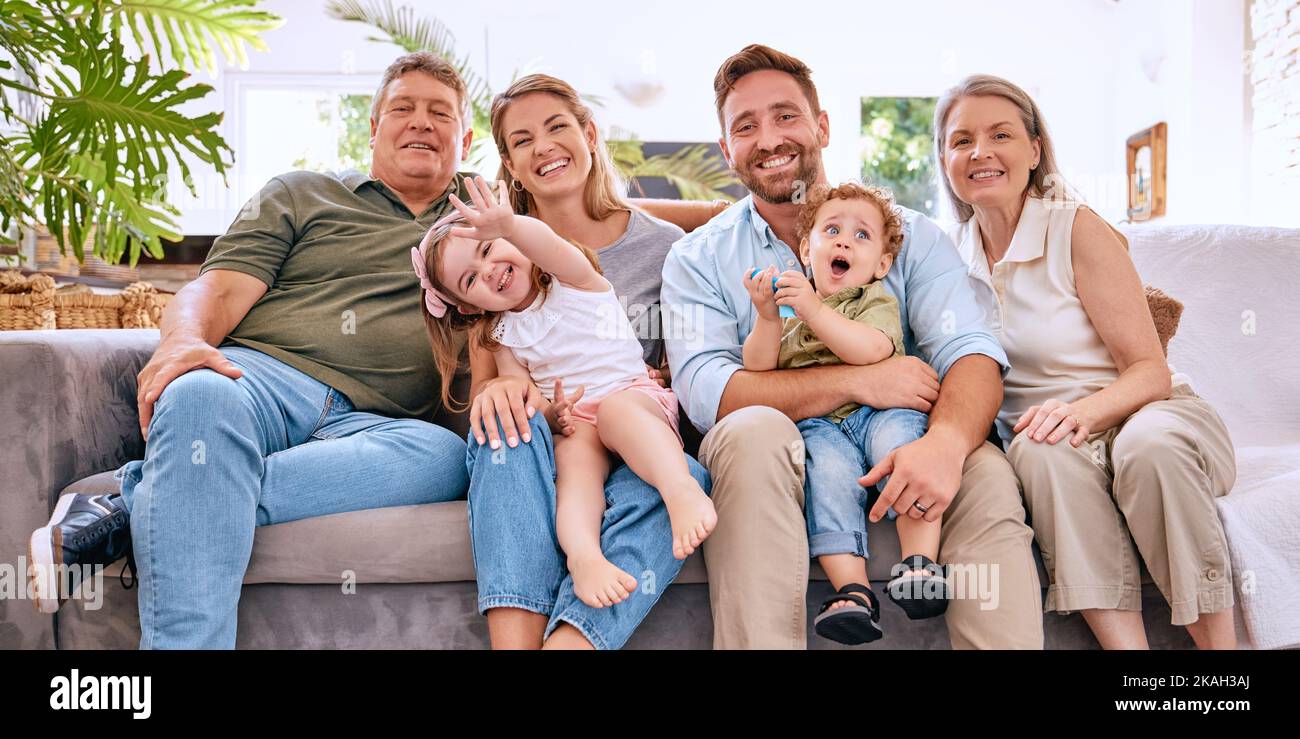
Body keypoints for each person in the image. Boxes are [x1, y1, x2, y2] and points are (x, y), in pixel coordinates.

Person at [27, 51, 477, 648]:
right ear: (373, 127)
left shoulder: (485, 224)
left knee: (446, 458)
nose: (421, 122)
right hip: (259, 382)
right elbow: (216, 289)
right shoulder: (302, 193)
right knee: (199, 393)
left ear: (465, 138)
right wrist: (183, 342)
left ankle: (132, 502)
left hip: (385, 423)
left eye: (440, 113)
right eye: (403, 107)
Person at [661, 44, 1044, 649]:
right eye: (745, 126)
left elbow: (969, 352)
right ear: (726, 150)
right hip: (784, 446)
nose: (768, 139)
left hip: (901, 432)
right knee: (751, 431)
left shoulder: (911, 236)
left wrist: (943, 445)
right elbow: (713, 394)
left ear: (822, 126)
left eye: (786, 115)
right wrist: (857, 380)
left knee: (983, 471)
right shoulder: (698, 258)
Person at [935, 74, 1237, 649]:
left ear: (1034, 150)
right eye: (961, 140)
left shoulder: (1076, 227)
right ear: (946, 159)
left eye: (1001, 134)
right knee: (1040, 451)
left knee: (1148, 451)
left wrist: (1083, 414)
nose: (980, 152)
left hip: (1149, 410)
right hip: (1050, 436)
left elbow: (1150, 371)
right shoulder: (947, 256)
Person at [459, 74, 712, 650]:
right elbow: (489, 382)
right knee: (507, 433)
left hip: (632, 419)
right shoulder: (494, 264)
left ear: (589, 134)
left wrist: (662, 376)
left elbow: (690, 360)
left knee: (682, 474)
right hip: (560, 430)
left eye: (557, 127)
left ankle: (575, 640)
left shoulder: (666, 245)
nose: (543, 146)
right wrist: (502, 393)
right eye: (522, 141)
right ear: (510, 166)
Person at [414, 175, 716, 604]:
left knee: (617, 413)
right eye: (470, 279)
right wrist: (552, 415)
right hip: (580, 420)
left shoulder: (572, 278)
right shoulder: (502, 335)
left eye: (488, 248)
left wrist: (510, 226)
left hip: (633, 396)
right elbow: (525, 396)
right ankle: (584, 556)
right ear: (469, 306)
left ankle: (680, 490)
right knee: (574, 467)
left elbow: (546, 244)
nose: (490, 271)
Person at [742, 181, 946, 645]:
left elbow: (870, 350)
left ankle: (920, 564)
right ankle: (852, 592)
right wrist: (768, 319)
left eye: (861, 236)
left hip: (881, 412)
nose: (842, 241)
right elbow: (758, 369)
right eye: (831, 230)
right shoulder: (794, 319)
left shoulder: (873, 301)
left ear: (882, 264)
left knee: (905, 453)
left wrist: (812, 307)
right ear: (805, 249)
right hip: (822, 427)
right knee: (828, 479)